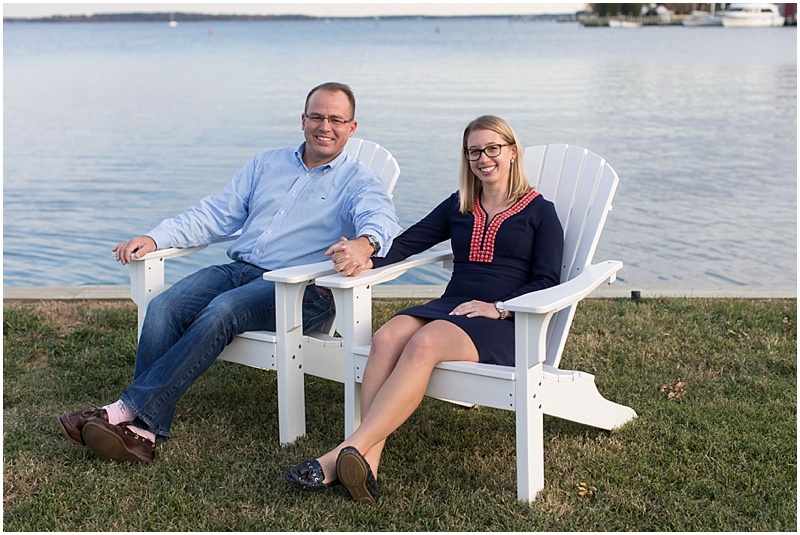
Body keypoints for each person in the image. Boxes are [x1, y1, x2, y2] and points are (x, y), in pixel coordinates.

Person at [58, 82, 401, 463]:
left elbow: (381, 219)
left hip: (299, 291)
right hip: (240, 269)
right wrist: (156, 238)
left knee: (222, 310)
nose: (325, 127)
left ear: (351, 128)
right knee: (165, 305)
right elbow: (215, 214)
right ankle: (143, 432)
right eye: (317, 117)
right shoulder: (266, 164)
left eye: (336, 119)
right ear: (303, 120)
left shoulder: (359, 180)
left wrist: (364, 244)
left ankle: (120, 412)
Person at [284, 115, 564, 503]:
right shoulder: (460, 205)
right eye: (474, 152)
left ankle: (339, 455)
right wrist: (363, 253)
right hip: (453, 305)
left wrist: (499, 308)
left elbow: (548, 280)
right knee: (387, 338)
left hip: (507, 321)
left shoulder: (539, 211)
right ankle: (370, 464)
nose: (483, 158)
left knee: (424, 343)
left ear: (512, 152)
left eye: (492, 149)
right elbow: (406, 244)